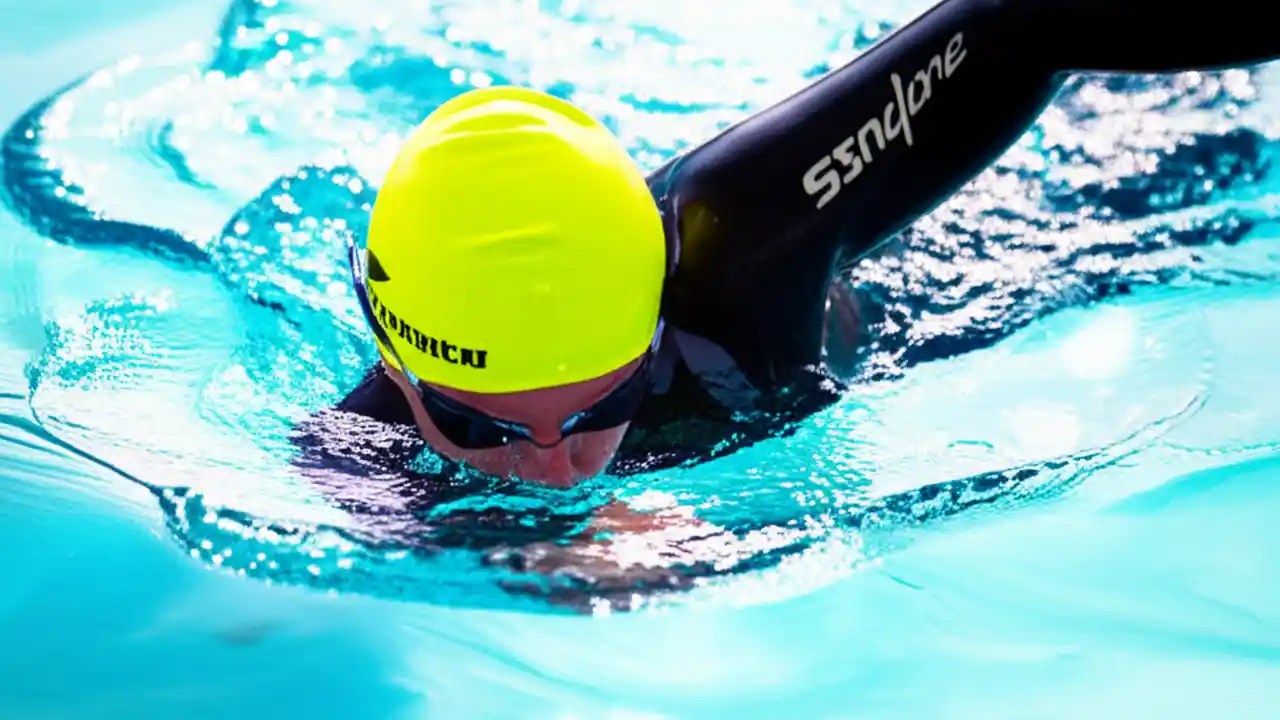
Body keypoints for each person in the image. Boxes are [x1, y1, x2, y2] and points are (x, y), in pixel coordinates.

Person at [304, 0, 1280, 490]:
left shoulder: (738, 233)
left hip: (1017, 237)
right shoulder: (360, 448)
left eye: (606, 403)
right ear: (396, 356)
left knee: (1194, 144)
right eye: (482, 430)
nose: (560, 472)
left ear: (648, 327)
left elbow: (1020, 23)